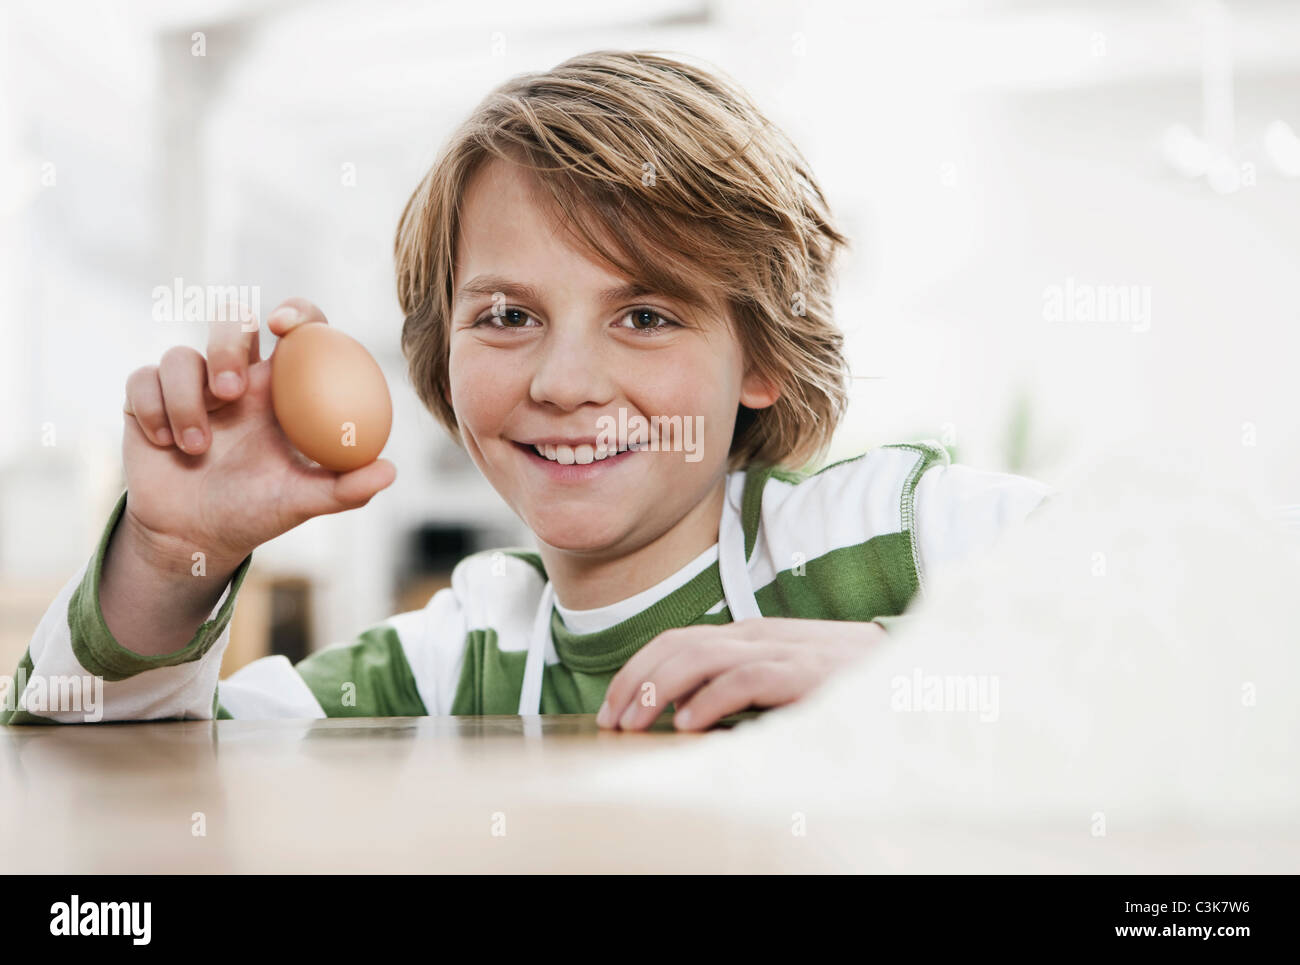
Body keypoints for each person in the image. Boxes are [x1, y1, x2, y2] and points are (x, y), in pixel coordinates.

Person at [2, 50, 1052, 731]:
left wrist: (914, 675)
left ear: (762, 355)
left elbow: (1199, 597)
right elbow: (101, 769)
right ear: (443, 356)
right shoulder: (457, 656)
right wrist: (165, 555)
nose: (562, 381)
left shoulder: (889, 534)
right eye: (506, 316)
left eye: (645, 314)